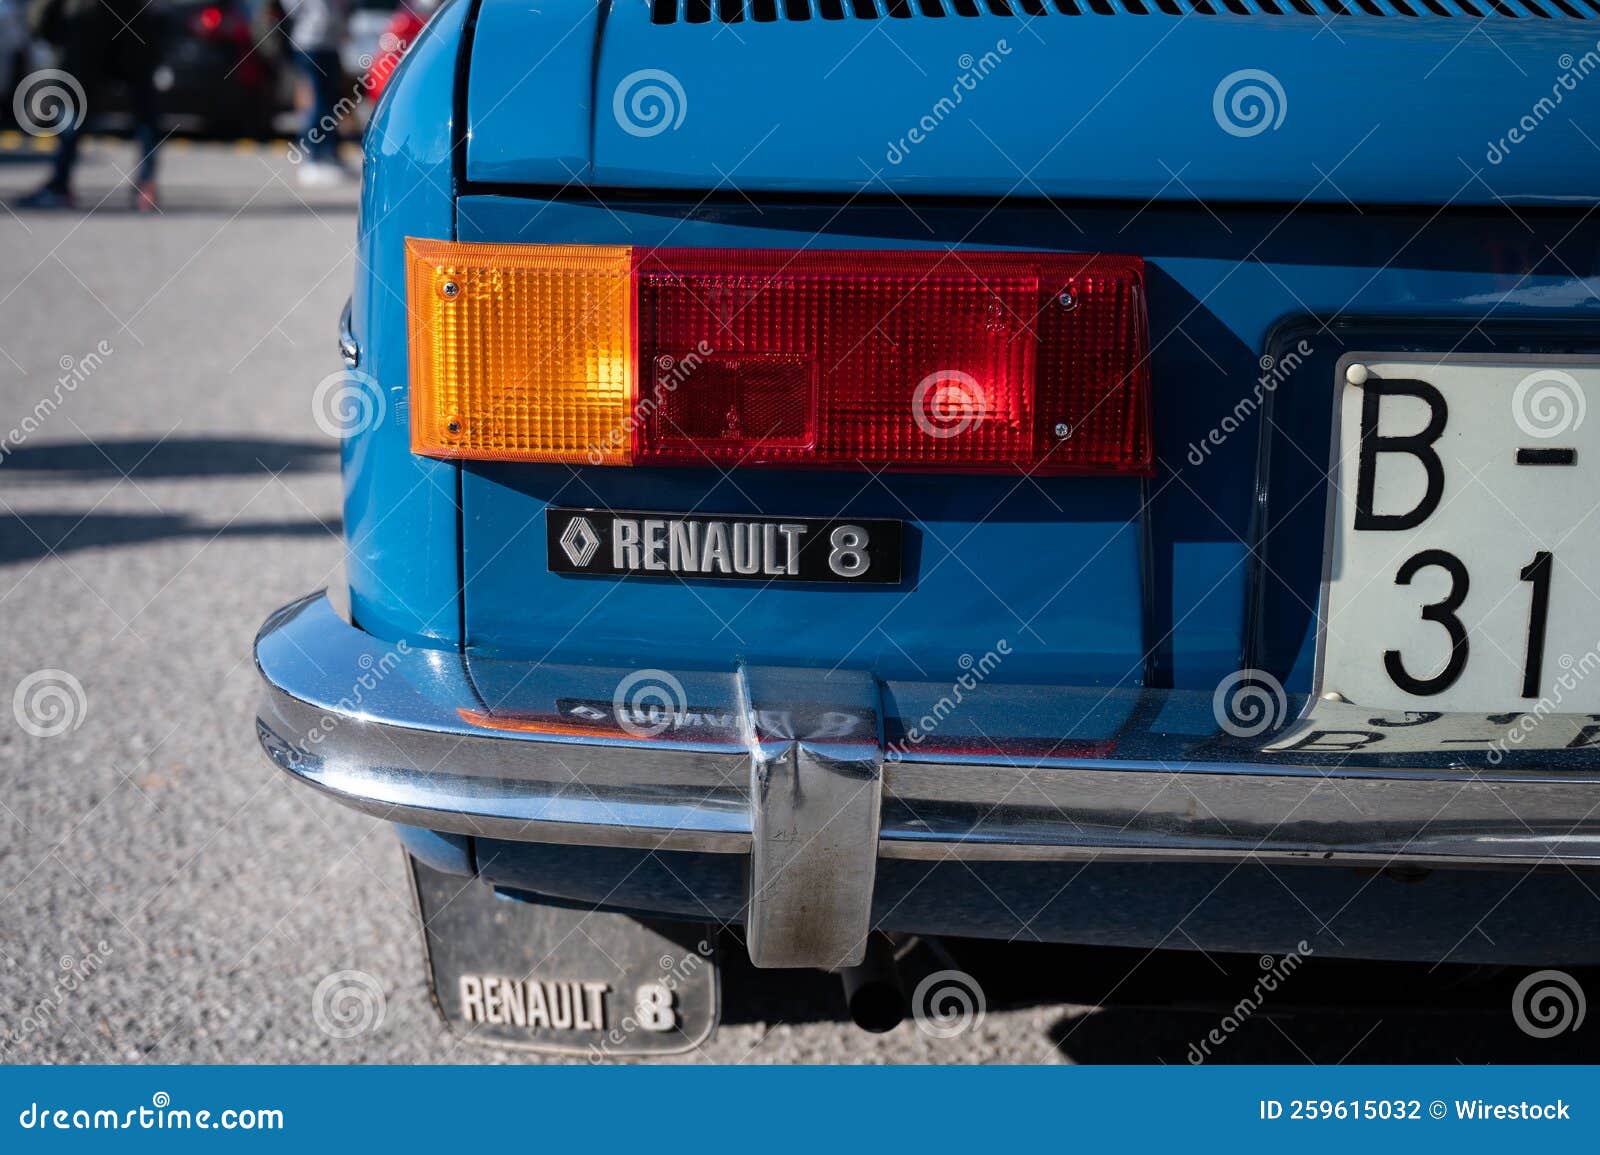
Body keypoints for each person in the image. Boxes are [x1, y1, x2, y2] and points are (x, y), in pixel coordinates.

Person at [17, 0, 161, 211]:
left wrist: (44, 27)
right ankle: (146, 186)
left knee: (75, 103)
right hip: (133, 19)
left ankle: (60, 185)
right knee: (143, 106)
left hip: (88, 21)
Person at [282, 0, 349, 187]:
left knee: (332, 101)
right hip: (310, 43)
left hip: (331, 43)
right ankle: (312, 156)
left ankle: (331, 154)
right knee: (319, 100)